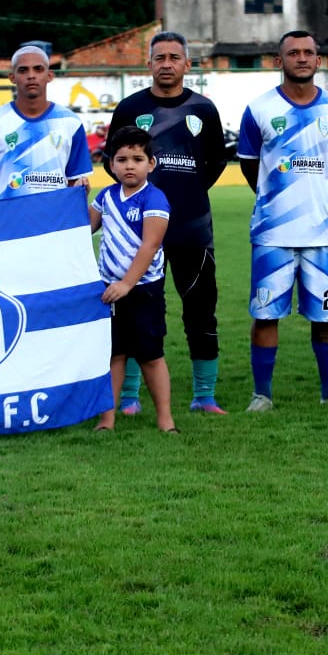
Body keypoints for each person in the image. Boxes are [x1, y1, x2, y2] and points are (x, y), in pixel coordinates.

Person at [108, 32, 228, 415]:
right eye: (159, 57)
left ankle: (204, 396)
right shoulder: (130, 108)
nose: (166, 63)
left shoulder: (204, 109)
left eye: (175, 57)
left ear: (187, 65)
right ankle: (128, 399)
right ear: (149, 64)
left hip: (192, 228)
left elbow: (215, 163)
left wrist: (186, 194)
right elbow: (117, 162)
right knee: (131, 311)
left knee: (200, 309)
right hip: (136, 233)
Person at [236, 31, 328, 412]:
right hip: (273, 234)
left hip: (323, 234)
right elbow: (251, 167)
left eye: (309, 52)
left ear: (319, 60)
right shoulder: (259, 109)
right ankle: (262, 395)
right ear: (278, 60)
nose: (301, 58)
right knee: (267, 314)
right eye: (293, 53)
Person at [90, 127, 177, 434]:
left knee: (151, 356)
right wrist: (75, 196)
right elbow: (82, 227)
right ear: (110, 164)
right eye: (122, 159)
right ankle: (107, 419)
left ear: (150, 164)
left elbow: (150, 245)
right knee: (114, 355)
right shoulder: (106, 196)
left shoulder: (154, 198)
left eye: (137, 159)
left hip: (143, 291)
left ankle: (165, 420)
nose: (129, 165)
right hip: (108, 290)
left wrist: (127, 284)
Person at [0, 44, 92, 201]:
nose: (31, 75)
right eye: (23, 70)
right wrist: (0, 215)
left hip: (54, 222)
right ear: (12, 77)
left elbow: (75, 180)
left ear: (49, 75)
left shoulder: (70, 122)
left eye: (38, 69)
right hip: (10, 222)